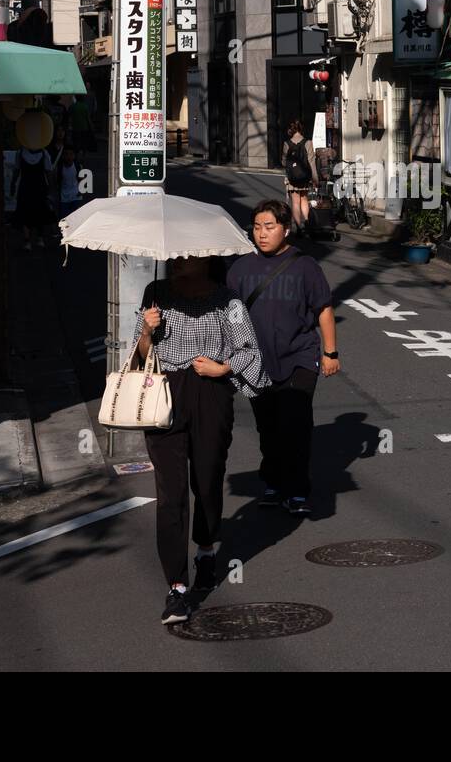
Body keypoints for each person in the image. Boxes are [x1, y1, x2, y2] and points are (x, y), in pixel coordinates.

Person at [133, 256, 269, 625]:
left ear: (207, 259)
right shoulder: (155, 293)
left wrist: (222, 367)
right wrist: (147, 331)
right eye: (174, 256)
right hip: (165, 392)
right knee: (171, 492)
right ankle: (177, 587)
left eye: (187, 257)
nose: (177, 262)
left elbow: (250, 351)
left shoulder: (229, 301)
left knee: (207, 481)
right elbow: (142, 354)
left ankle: (206, 550)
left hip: (210, 394)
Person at [227, 199, 337, 517]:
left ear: (285, 229)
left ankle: (298, 490)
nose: (262, 234)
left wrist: (330, 352)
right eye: (257, 227)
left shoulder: (305, 266)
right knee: (269, 427)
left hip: (300, 357)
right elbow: (228, 314)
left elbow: (324, 309)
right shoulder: (240, 268)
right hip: (255, 362)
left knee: (296, 423)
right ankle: (274, 482)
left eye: (269, 227)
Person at [11, 145, 54, 252]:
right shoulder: (20, 153)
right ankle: (28, 240)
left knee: (40, 211)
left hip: (38, 187)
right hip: (27, 187)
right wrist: (13, 183)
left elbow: (49, 173)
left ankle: (39, 238)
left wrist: (50, 189)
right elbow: (16, 170)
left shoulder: (44, 154)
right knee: (24, 212)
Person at [280, 120, 317, 235]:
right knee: (304, 199)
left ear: (291, 130)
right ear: (301, 129)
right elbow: (311, 162)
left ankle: (298, 227)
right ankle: (306, 221)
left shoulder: (287, 143)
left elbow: (284, 162)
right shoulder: (308, 142)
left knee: (295, 202)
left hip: (292, 178)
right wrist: (315, 178)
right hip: (305, 177)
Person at [56, 145, 85, 220]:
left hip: (76, 196)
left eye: (71, 154)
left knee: (76, 218)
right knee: (64, 220)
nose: (68, 157)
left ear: (74, 156)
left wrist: (81, 191)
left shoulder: (78, 166)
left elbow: (82, 180)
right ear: (63, 156)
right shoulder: (59, 168)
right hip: (64, 198)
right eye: (66, 154)